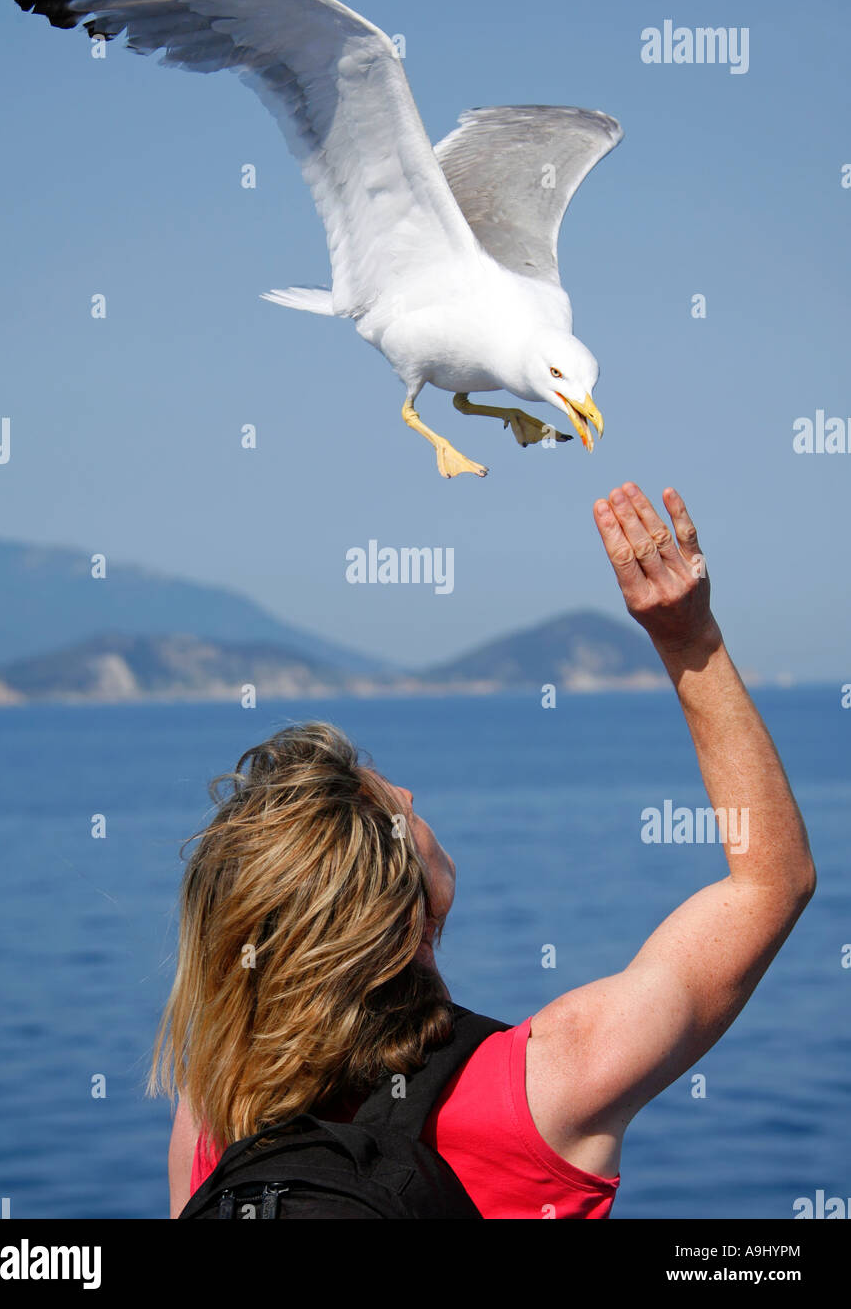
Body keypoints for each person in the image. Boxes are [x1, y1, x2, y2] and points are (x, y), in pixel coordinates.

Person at [154, 482, 815, 1219]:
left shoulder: (214, 1115)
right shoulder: (552, 1080)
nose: (406, 789)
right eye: (400, 808)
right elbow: (771, 881)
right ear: (406, 916)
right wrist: (689, 639)